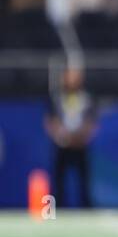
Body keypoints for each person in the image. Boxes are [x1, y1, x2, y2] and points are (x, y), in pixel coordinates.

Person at [44, 66, 98, 209]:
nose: (73, 80)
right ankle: (58, 208)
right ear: (65, 77)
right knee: (59, 180)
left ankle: (87, 208)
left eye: (76, 76)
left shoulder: (86, 97)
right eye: (71, 76)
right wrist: (61, 136)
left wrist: (82, 136)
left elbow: (92, 121)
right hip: (62, 145)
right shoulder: (56, 97)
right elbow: (50, 120)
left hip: (80, 145)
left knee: (83, 180)